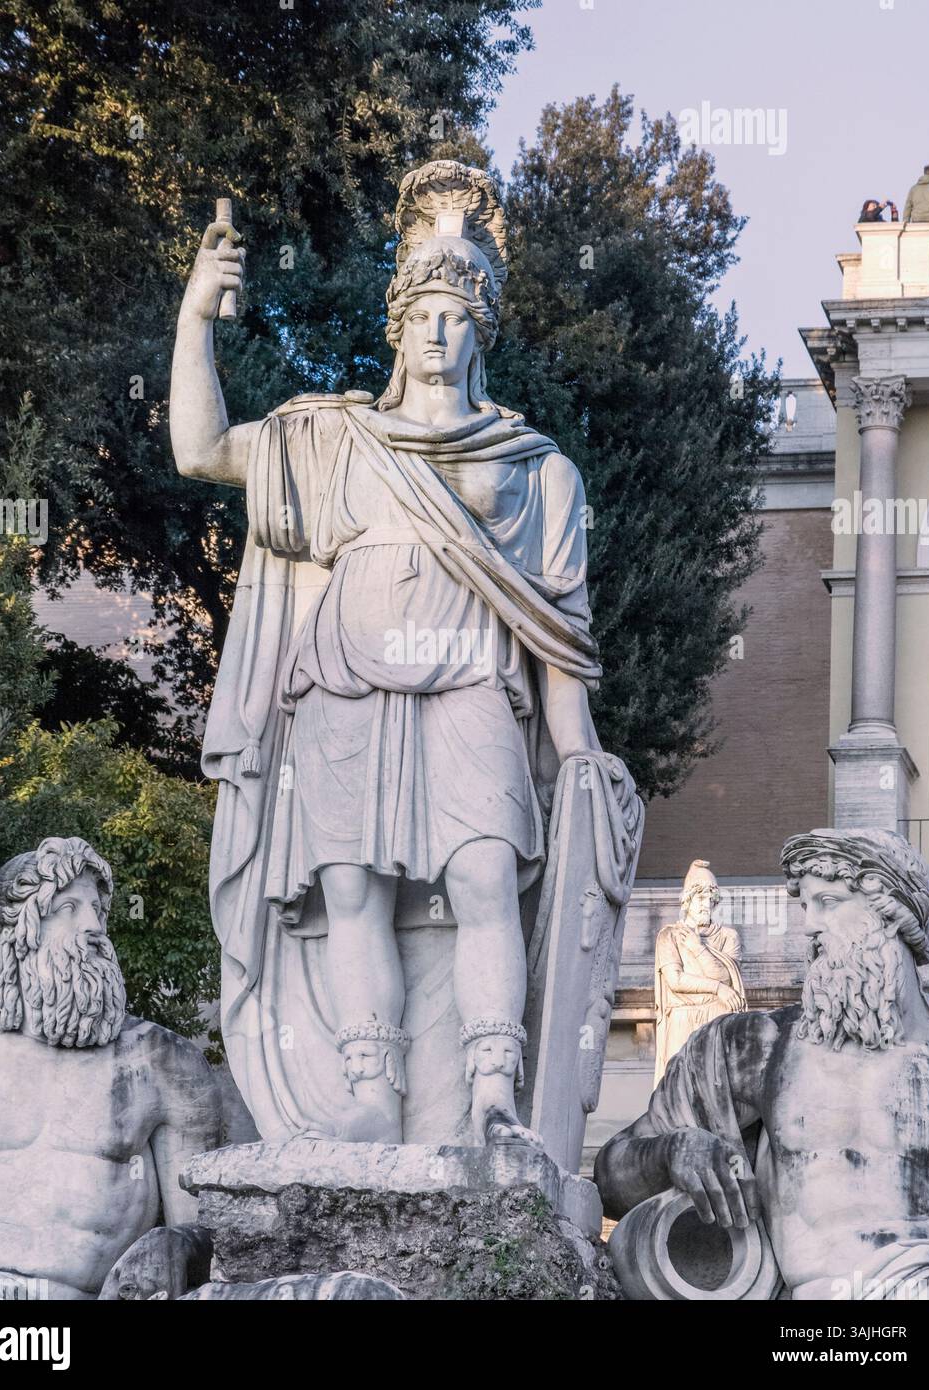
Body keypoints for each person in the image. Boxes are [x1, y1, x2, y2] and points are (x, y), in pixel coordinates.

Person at [169, 161, 627, 1150]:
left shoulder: (535, 467)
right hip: (340, 678)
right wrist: (197, 316)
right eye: (420, 311)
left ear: (479, 333)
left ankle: (493, 1086)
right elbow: (200, 450)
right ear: (397, 327)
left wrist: (579, 751)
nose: (435, 329)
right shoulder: (332, 437)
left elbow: (558, 635)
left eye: (454, 315)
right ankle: (371, 1087)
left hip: (471, 677)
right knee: (351, 892)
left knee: (483, 878)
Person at [597, 829, 929, 1301]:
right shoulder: (754, 1048)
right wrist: (673, 1152)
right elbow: (612, 1176)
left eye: (828, 902)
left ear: (890, 916)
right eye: (805, 906)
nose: (809, 926)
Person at [0, 837, 221, 1300]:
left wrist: (177, 1243)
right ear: (17, 932)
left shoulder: (162, 1061)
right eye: (69, 908)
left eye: (99, 909)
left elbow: (208, 1234)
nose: (95, 926)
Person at [653, 859, 745, 1084]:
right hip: (682, 1020)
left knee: (718, 1088)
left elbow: (726, 975)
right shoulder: (669, 936)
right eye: (700, 898)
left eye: (711, 899)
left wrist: (698, 948)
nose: (706, 904)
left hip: (717, 1019)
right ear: (687, 900)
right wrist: (717, 988)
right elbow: (675, 980)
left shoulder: (728, 937)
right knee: (678, 1088)